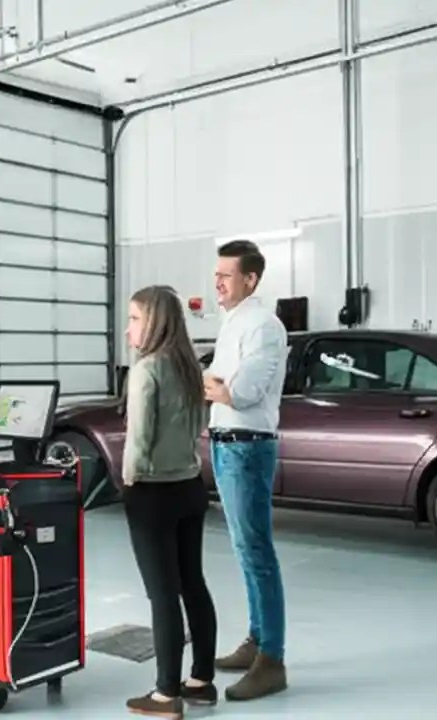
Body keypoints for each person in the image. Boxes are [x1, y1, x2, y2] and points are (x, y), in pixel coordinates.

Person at [120, 285, 219, 718]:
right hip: (189, 486)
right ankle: (201, 681)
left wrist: (127, 479)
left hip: (153, 492)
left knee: (162, 594)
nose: (129, 329)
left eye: (135, 319)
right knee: (191, 583)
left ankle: (165, 695)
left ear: (155, 322)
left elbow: (139, 439)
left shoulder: (147, 370)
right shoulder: (189, 368)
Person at [202, 239, 289, 702]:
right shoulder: (233, 322)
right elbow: (214, 383)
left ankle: (272, 659)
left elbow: (243, 392)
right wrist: (217, 386)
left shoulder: (263, 326)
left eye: (227, 274)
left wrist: (219, 387)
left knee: (257, 553)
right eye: (216, 273)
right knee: (244, 551)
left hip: (247, 447)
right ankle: (257, 641)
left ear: (250, 279)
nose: (217, 281)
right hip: (225, 445)